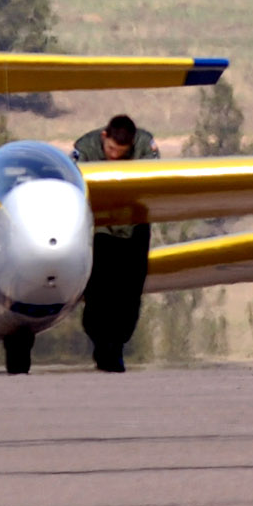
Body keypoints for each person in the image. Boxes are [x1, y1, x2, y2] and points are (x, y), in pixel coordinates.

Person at [74, 112, 158, 373]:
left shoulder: (145, 146)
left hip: (134, 228)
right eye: (110, 149)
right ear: (104, 137)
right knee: (98, 293)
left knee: (130, 293)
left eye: (121, 151)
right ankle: (102, 344)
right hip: (99, 231)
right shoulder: (84, 148)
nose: (114, 155)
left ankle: (117, 347)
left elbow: (154, 180)